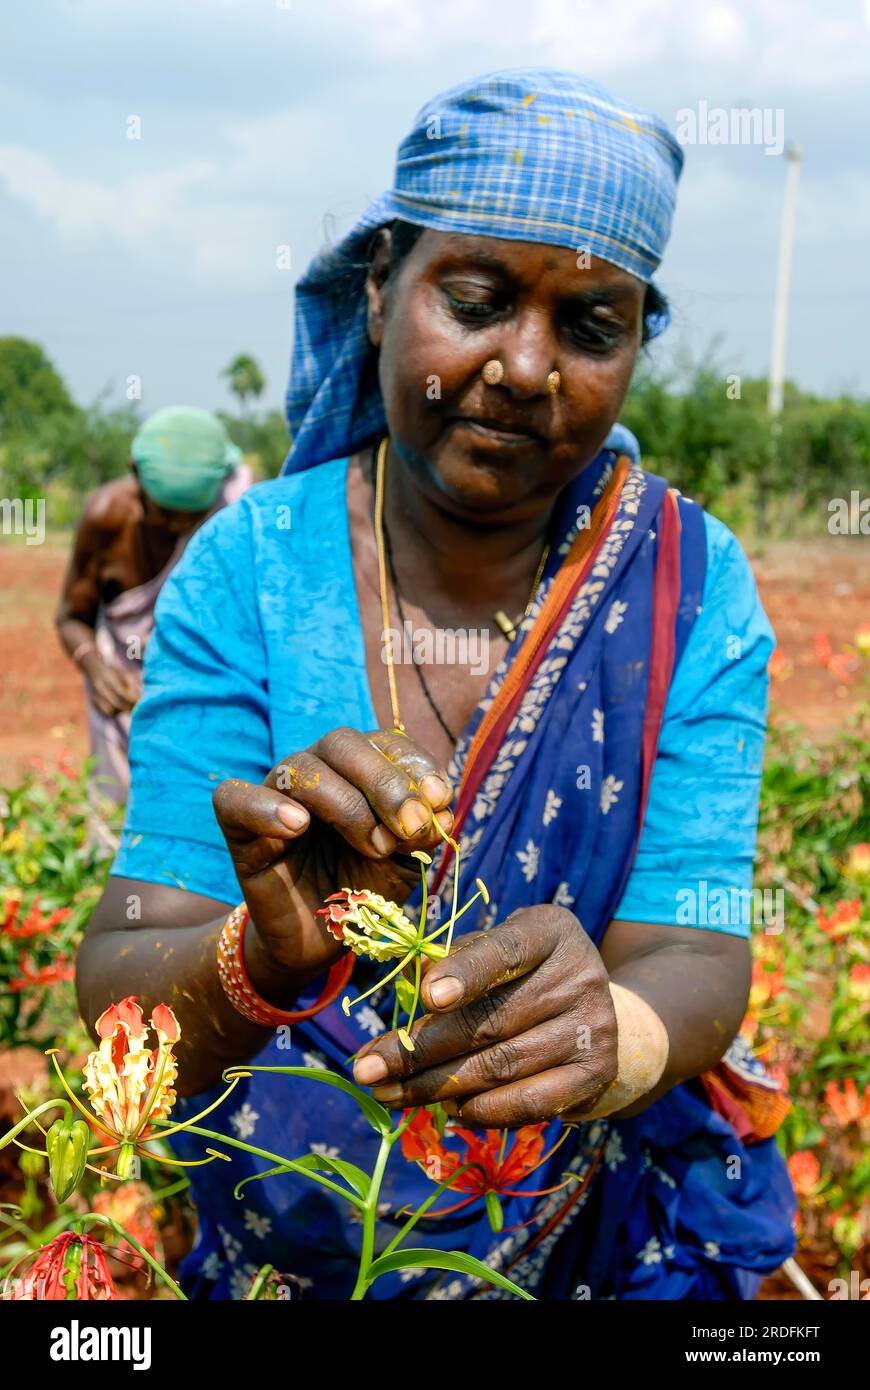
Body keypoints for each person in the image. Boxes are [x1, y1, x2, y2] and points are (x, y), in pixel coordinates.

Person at [77, 68, 795, 1300]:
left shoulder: (691, 583)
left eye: (592, 325)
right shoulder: (250, 569)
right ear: (378, 291)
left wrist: (611, 1031)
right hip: (284, 1248)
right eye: (474, 300)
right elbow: (121, 976)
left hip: (574, 1245)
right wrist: (263, 954)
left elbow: (695, 946)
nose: (525, 366)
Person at [56, 406, 251, 803]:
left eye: (191, 517)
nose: (179, 528)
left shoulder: (234, 517)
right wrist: (95, 668)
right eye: (165, 516)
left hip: (206, 693)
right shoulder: (106, 518)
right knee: (117, 812)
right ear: (134, 474)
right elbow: (71, 617)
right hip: (121, 692)